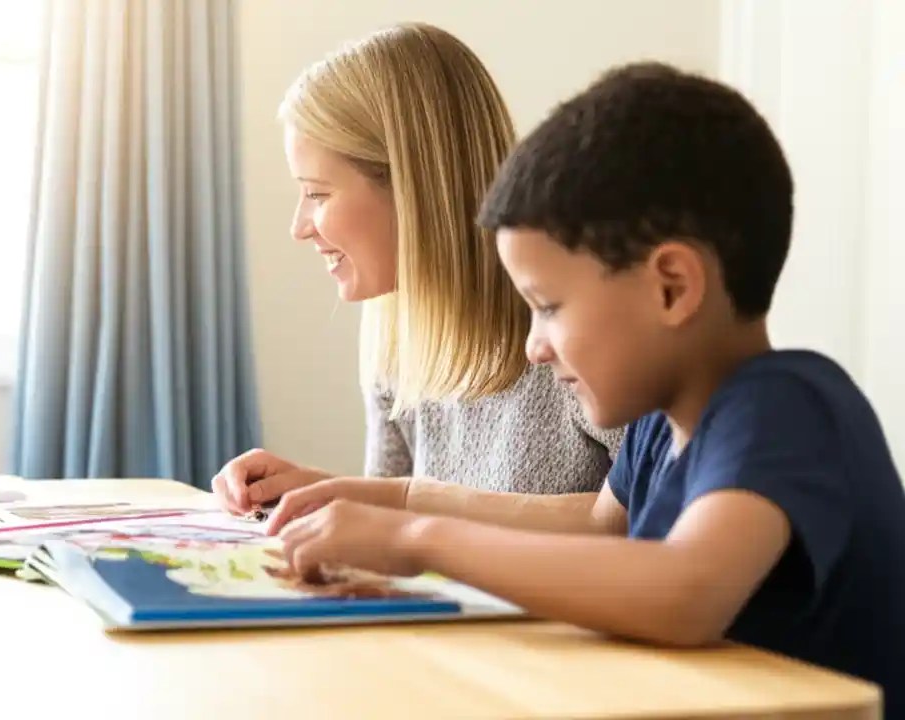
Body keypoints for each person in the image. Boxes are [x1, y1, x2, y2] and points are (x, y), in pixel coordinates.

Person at [265, 62, 905, 712]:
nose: (533, 345)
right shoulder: (665, 422)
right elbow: (600, 530)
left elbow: (683, 592)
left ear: (672, 288)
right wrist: (390, 502)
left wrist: (416, 541)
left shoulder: (787, 407)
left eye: (548, 306)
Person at [213, 23, 620, 515]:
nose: (300, 227)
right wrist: (319, 493)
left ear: (412, 187)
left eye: (318, 193)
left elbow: (651, 522)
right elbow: (398, 520)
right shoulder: (393, 330)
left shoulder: (577, 324)